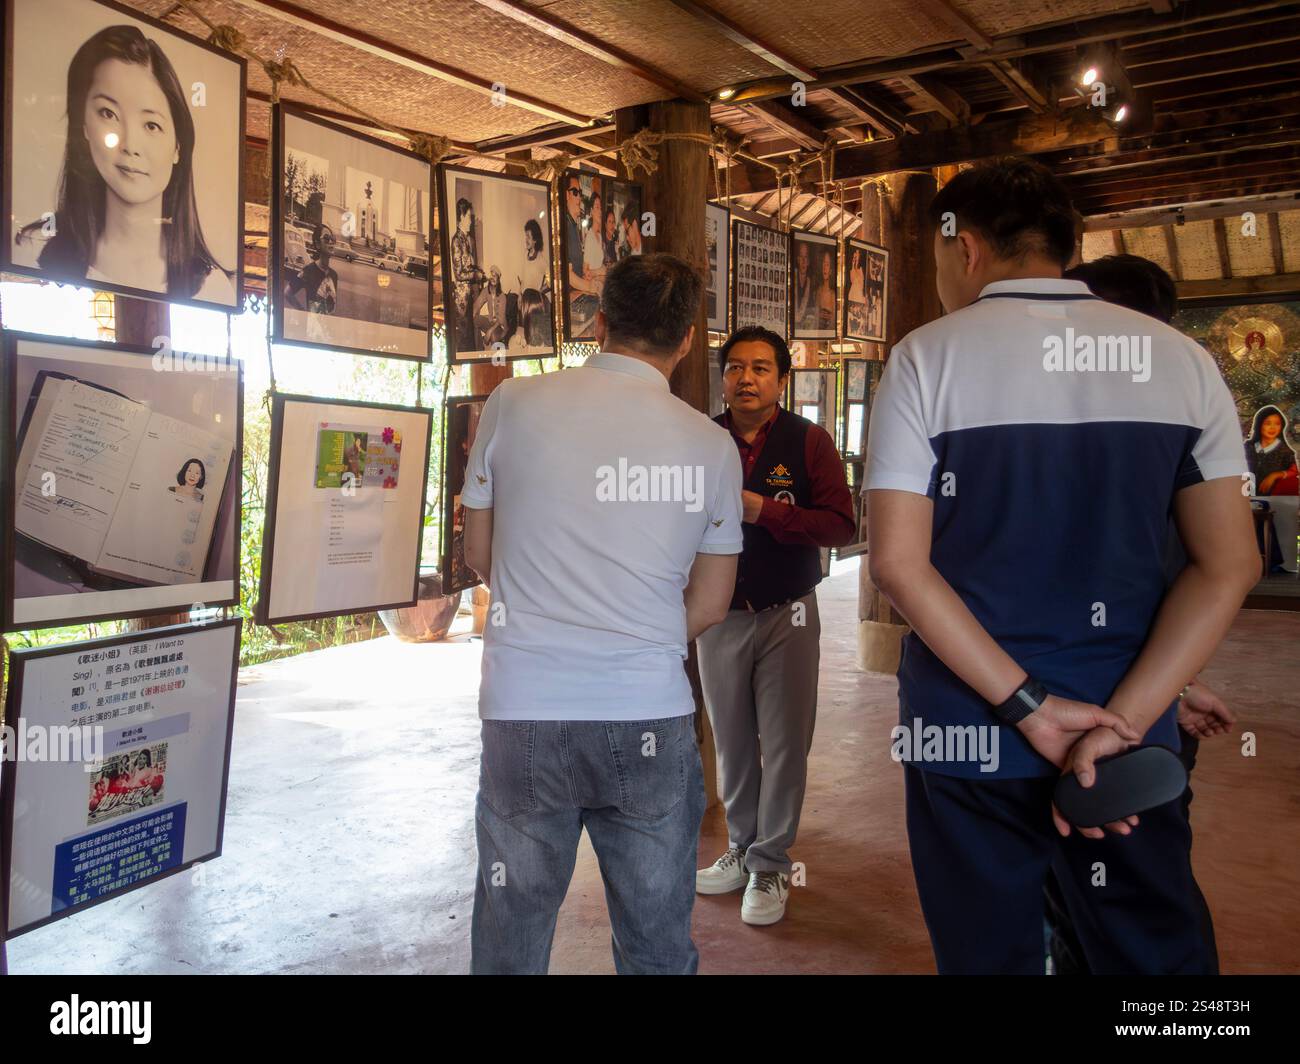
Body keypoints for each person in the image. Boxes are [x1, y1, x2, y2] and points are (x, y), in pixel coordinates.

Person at [864, 158, 1260, 975]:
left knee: (989, 951)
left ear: (964, 247)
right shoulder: (1183, 363)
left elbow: (900, 566)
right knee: (1153, 951)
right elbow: (1230, 565)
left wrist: (1033, 710)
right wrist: (1121, 723)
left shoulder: (925, 359)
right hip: (1129, 733)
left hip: (968, 728)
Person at [462, 253, 743, 974]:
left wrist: (549, 608)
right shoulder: (713, 446)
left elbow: (479, 554)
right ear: (687, 340)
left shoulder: (513, 403)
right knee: (655, 942)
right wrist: (637, 636)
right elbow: (711, 603)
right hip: (648, 712)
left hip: (523, 709)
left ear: (602, 321)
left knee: (510, 935)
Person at [1040, 251, 1236, 974]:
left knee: (1138, 916)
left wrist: (1138, 710)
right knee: (1083, 908)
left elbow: (1217, 569)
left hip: (1107, 722)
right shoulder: (1158, 430)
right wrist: (1176, 689)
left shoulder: (1128, 436)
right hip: (1127, 710)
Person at [695, 326, 854, 925]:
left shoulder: (810, 442)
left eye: (761, 368)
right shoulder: (700, 439)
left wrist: (767, 511)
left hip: (789, 609)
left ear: (781, 380)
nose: (746, 379)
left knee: (786, 741)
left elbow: (840, 525)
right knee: (732, 738)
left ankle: (771, 863)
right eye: (735, 367)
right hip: (719, 614)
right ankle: (741, 847)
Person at [16, 25, 232, 302]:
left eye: (151, 125)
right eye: (109, 113)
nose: (130, 145)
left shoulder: (212, 288)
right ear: (83, 126)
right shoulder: (30, 251)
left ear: (178, 147)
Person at [563, 174, 601, 335]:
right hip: (573, 303)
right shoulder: (566, 226)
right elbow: (568, 276)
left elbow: (576, 269)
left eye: (580, 192)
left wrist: (585, 275)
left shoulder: (573, 226)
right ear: (566, 195)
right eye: (575, 192)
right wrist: (590, 287)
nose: (579, 197)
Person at [450, 197, 486, 353]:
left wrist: (479, 272)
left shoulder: (468, 240)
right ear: (461, 217)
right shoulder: (456, 241)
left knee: (472, 337)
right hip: (462, 301)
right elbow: (459, 274)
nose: (471, 220)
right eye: (469, 217)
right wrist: (476, 275)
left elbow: (469, 266)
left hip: (471, 296)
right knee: (464, 340)